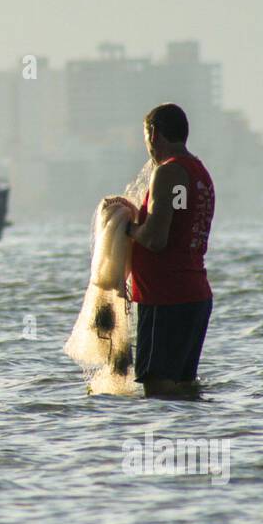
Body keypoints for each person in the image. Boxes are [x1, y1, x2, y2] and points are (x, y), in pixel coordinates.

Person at [104, 103, 214, 398]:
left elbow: (156, 238)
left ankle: (165, 440)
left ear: (153, 134)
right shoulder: (195, 171)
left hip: (166, 297)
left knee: (160, 388)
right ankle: (189, 439)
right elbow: (174, 218)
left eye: (146, 138)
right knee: (182, 388)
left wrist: (125, 227)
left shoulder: (168, 172)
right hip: (193, 295)